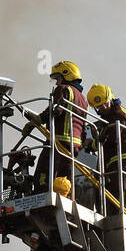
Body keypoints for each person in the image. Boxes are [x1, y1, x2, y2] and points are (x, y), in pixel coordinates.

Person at [23, 60, 90, 196]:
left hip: (58, 142)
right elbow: (83, 126)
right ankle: (67, 199)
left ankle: (40, 196)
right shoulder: (83, 99)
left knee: (44, 174)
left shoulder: (64, 89)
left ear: (66, 75)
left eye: (58, 79)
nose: (57, 83)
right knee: (65, 179)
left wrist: (35, 121)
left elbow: (54, 111)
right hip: (74, 146)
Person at [86, 83, 126, 220]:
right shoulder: (109, 116)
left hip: (125, 159)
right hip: (123, 161)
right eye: (99, 107)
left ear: (110, 98)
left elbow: (111, 138)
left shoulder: (118, 114)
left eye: (105, 104)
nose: (103, 108)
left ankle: (124, 223)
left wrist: (92, 144)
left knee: (121, 195)